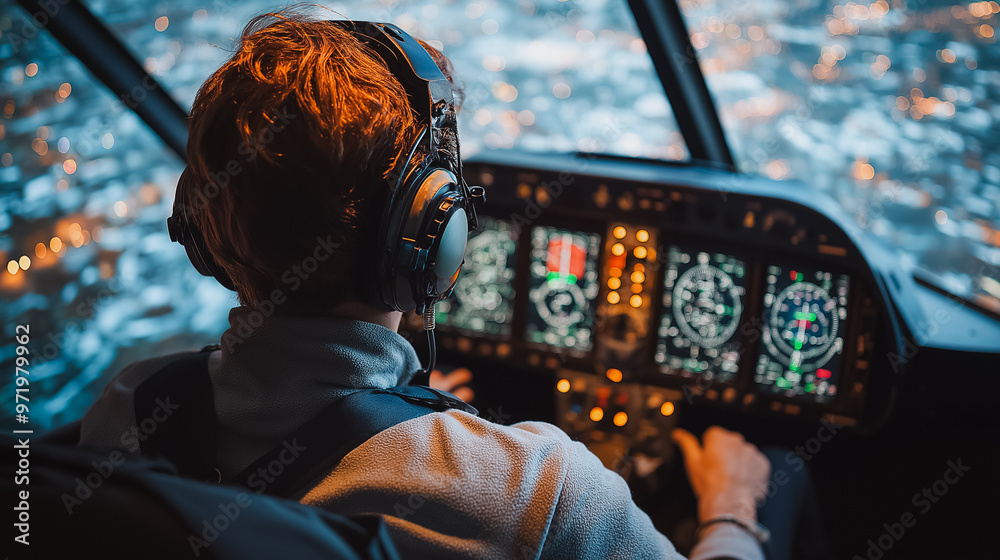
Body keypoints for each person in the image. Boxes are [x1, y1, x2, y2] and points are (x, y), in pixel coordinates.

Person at [79, 11, 775, 559]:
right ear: (432, 236)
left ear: (203, 234)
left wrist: (404, 416)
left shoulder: (130, 412)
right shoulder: (543, 494)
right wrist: (732, 511)